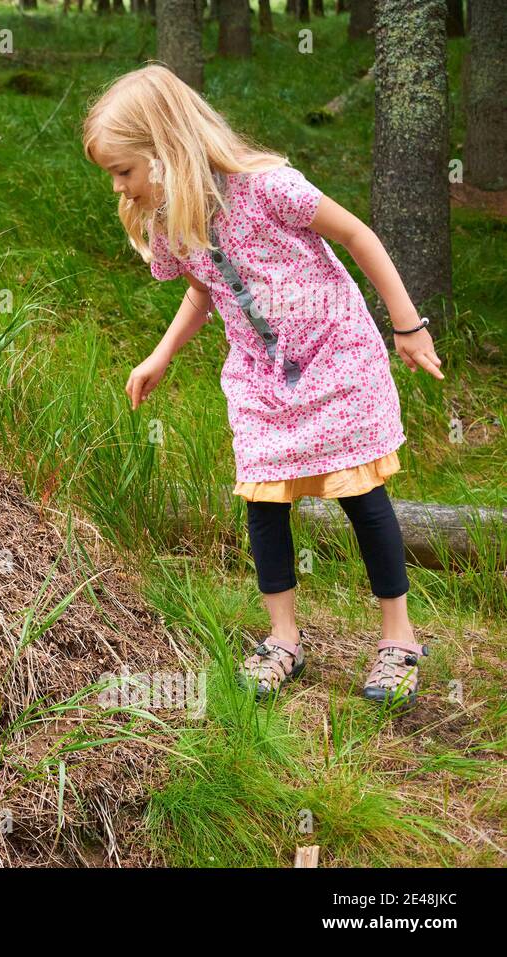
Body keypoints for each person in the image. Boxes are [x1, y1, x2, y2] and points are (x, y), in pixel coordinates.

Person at [83, 64, 445, 709]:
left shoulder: (269, 187)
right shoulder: (168, 218)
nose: (119, 186)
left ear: (165, 152)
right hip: (260, 375)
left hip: (335, 355)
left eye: (124, 170)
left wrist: (408, 325)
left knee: (362, 494)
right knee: (263, 501)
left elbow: (359, 234)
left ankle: (399, 637)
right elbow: (205, 288)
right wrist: (160, 354)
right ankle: (283, 639)